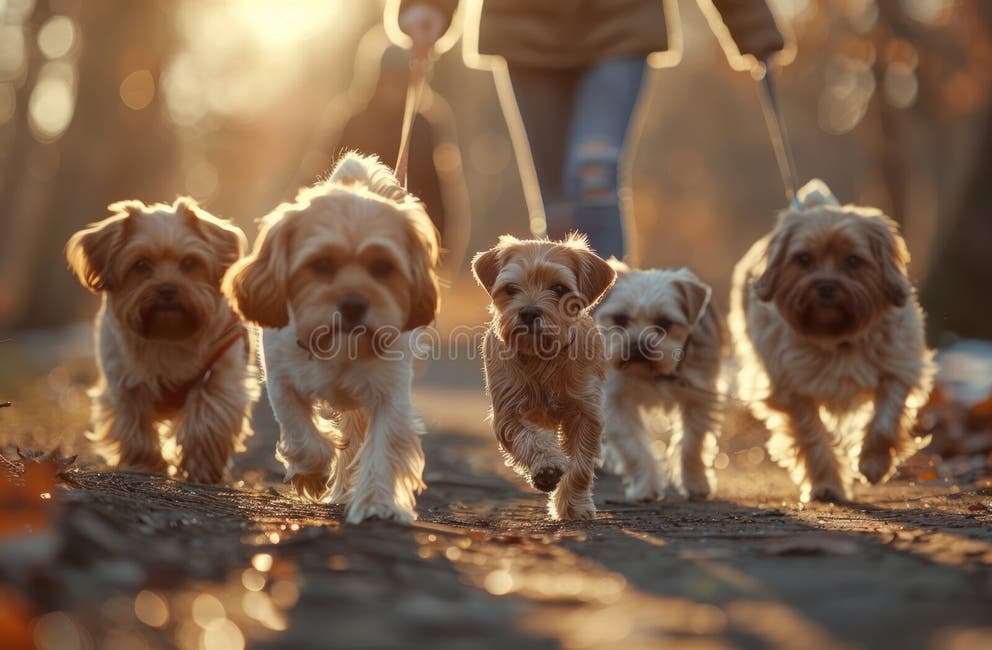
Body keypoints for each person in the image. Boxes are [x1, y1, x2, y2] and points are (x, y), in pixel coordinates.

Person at [386, 0, 787, 261]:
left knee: (593, 173)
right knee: (558, 207)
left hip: (621, 23)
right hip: (524, 28)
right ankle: (561, 342)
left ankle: (607, 331)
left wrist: (751, 24)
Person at [301, 27, 471, 270]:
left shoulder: (424, 125)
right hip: (352, 237)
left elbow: (439, 190)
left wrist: (439, 246)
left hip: (408, 239)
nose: (393, 90)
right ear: (374, 81)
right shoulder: (353, 121)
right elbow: (321, 179)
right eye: (387, 81)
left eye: (400, 82)